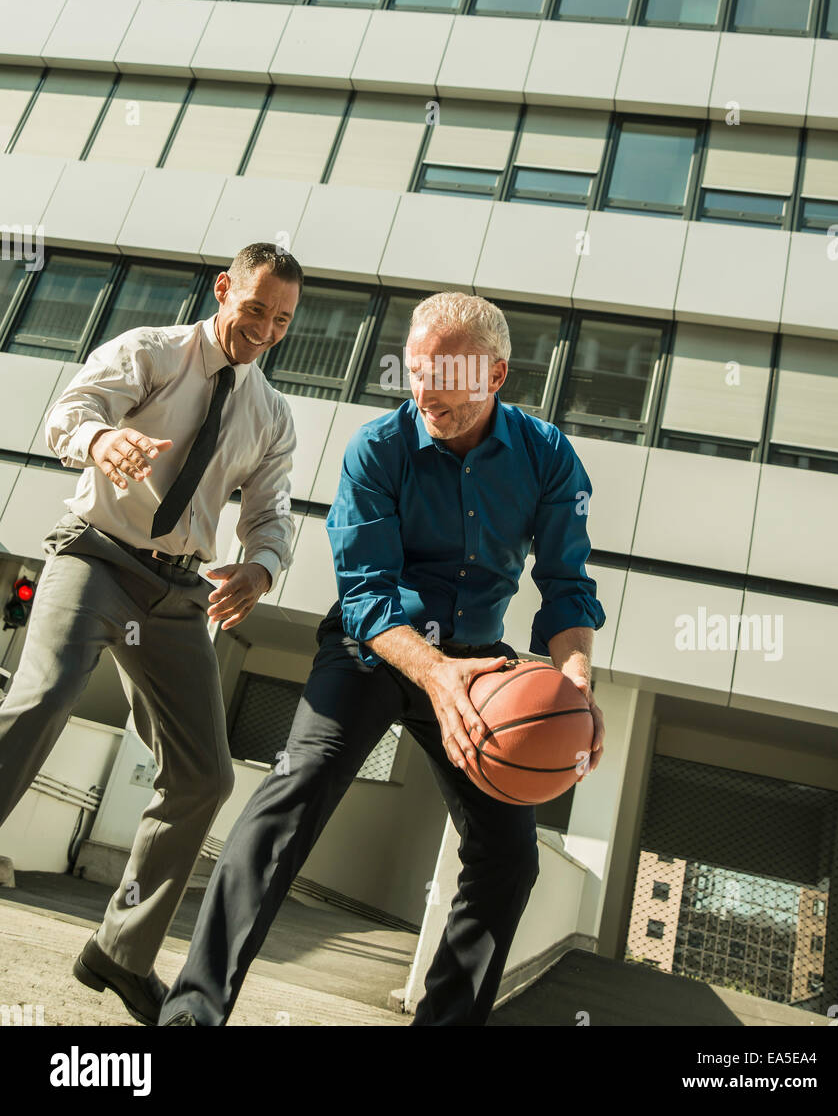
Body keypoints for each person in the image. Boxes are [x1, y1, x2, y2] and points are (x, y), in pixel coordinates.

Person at [159, 290, 606, 1028]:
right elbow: (365, 594)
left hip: (481, 665)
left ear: (496, 375)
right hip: (375, 648)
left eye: (449, 376)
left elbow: (566, 586)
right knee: (294, 792)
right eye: (417, 371)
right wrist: (434, 674)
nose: (426, 391)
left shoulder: (546, 455)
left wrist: (576, 679)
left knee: (509, 857)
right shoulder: (378, 447)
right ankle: (194, 1013)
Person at [0, 241, 303, 1025]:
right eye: (254, 309)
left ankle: (120, 950)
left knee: (204, 774)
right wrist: (102, 442)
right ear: (223, 288)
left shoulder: (270, 414)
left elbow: (271, 515)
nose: (265, 328)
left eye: (281, 319)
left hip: (175, 598)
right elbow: (73, 412)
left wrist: (259, 569)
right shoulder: (153, 351)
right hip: (95, 556)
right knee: (45, 694)